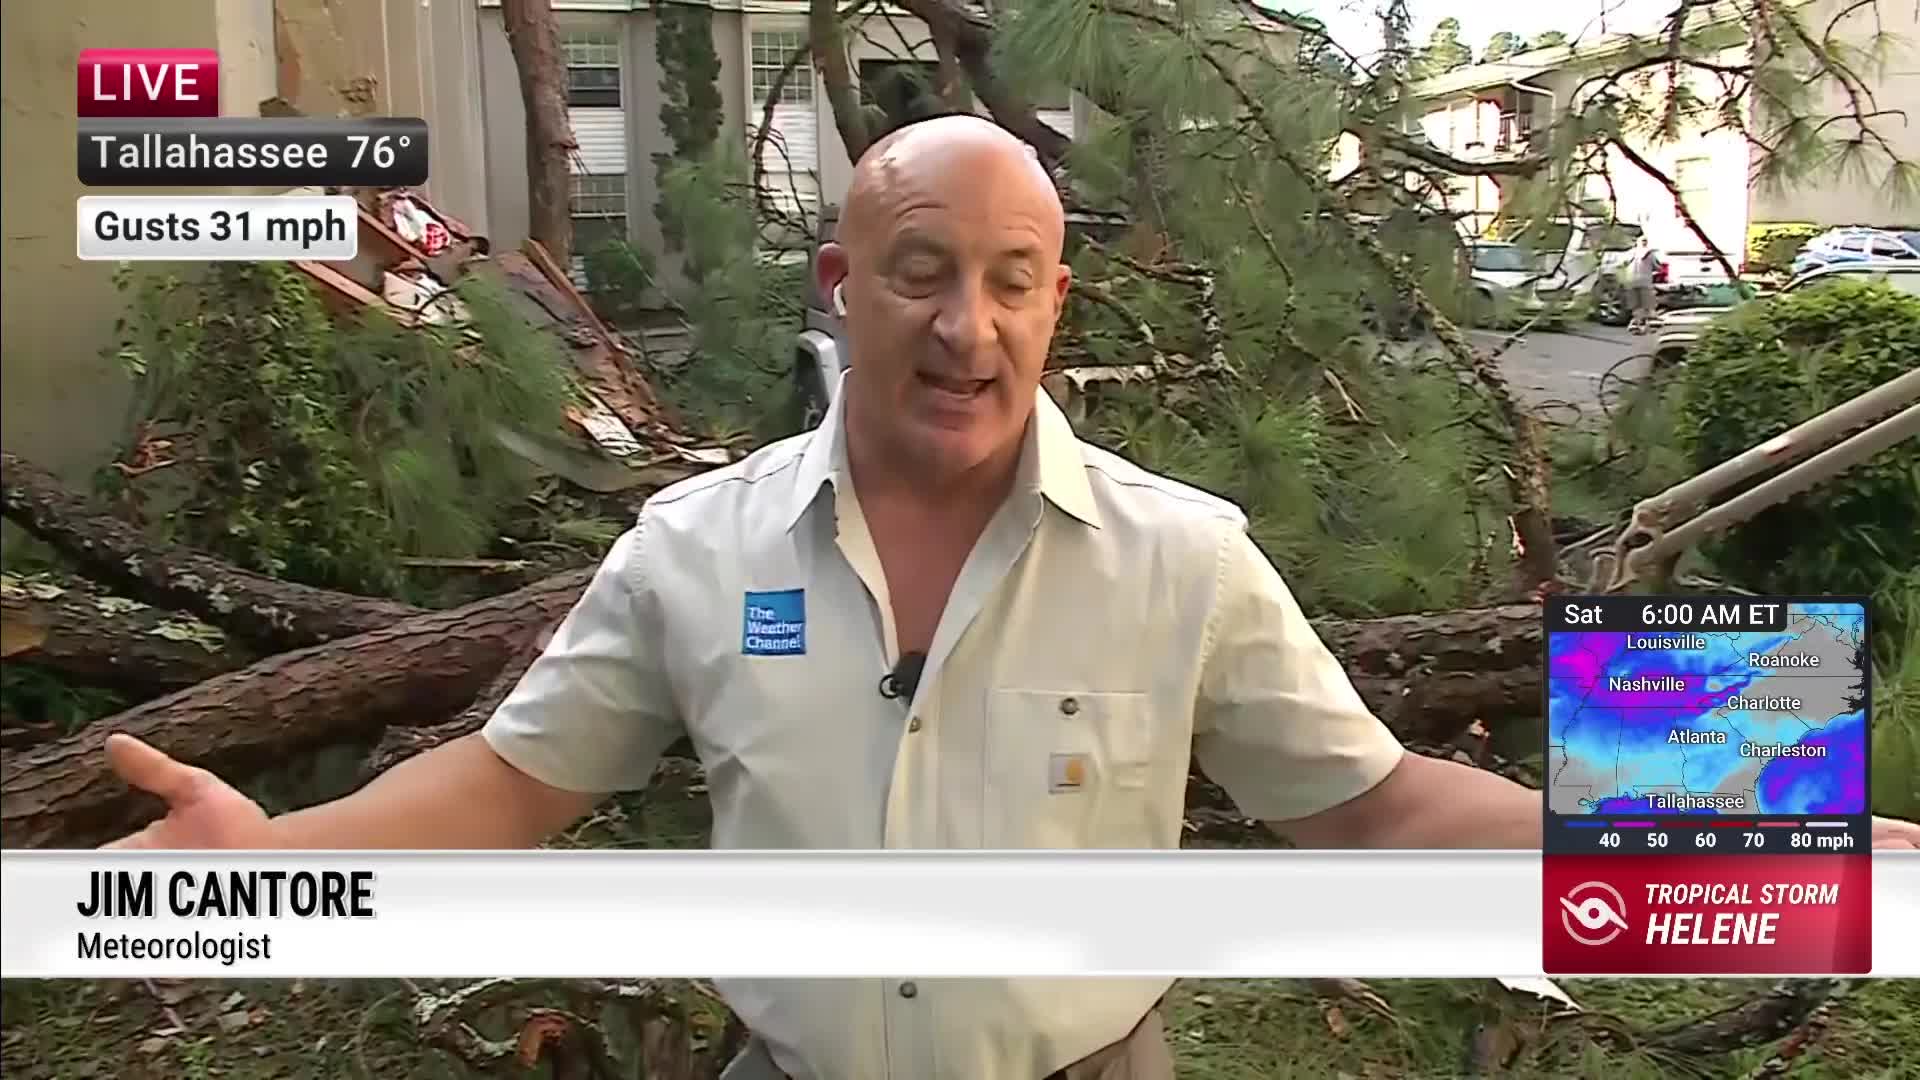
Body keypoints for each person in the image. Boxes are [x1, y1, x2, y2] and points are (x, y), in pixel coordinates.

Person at [98, 117, 1920, 1079]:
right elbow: (510, 785)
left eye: (1013, 279)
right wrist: (280, 855)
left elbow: (1378, 805)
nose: (965, 326)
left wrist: (1743, 831)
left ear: (1057, 301)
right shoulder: (695, 552)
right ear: (842, 284)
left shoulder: (1180, 551)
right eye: (920, 271)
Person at [1625, 235, 1660, 334]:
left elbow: (1623, 263)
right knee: (1647, 306)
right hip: (1645, 282)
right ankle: (1647, 327)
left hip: (1631, 282)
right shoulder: (1650, 254)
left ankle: (1636, 326)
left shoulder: (1630, 252)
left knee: (1636, 306)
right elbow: (1657, 267)